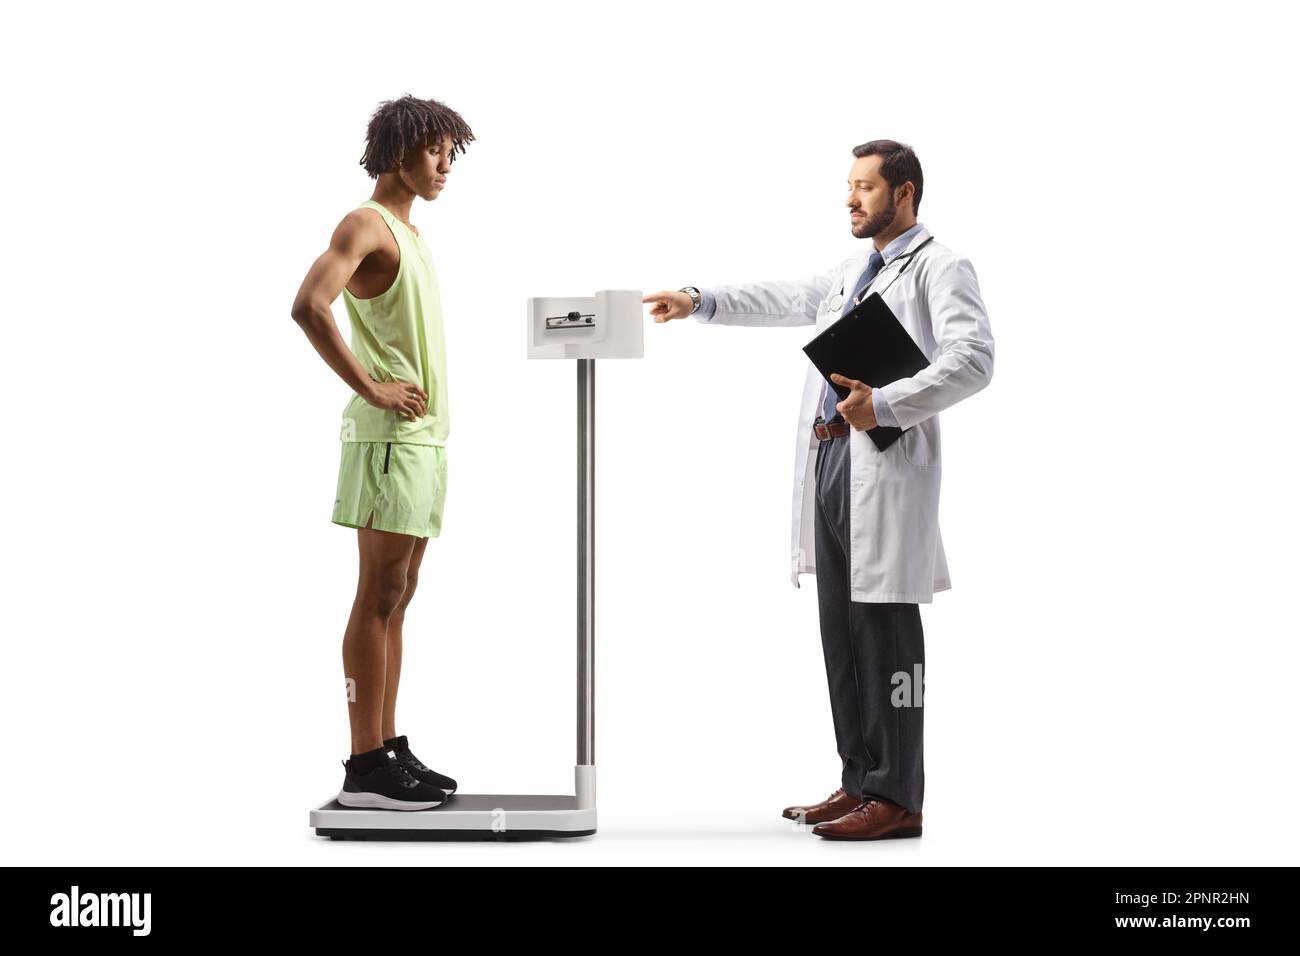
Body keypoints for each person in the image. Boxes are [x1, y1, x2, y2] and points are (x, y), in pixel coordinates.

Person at [644, 140, 994, 840]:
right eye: (849, 186)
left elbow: (975, 359)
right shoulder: (853, 272)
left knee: (885, 634)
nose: (850, 200)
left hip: (884, 463)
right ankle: (857, 781)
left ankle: (897, 798)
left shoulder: (941, 267)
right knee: (841, 636)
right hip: (834, 463)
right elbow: (788, 298)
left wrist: (888, 403)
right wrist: (699, 299)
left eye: (865, 187)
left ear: (905, 194)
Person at [291, 94, 474, 810]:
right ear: (399, 148)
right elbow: (309, 303)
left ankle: (387, 745)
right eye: (436, 150)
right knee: (379, 595)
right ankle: (364, 763)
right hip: (390, 442)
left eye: (452, 155)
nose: (445, 166)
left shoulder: (410, 232)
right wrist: (370, 387)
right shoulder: (366, 223)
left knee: (400, 596)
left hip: (423, 441)